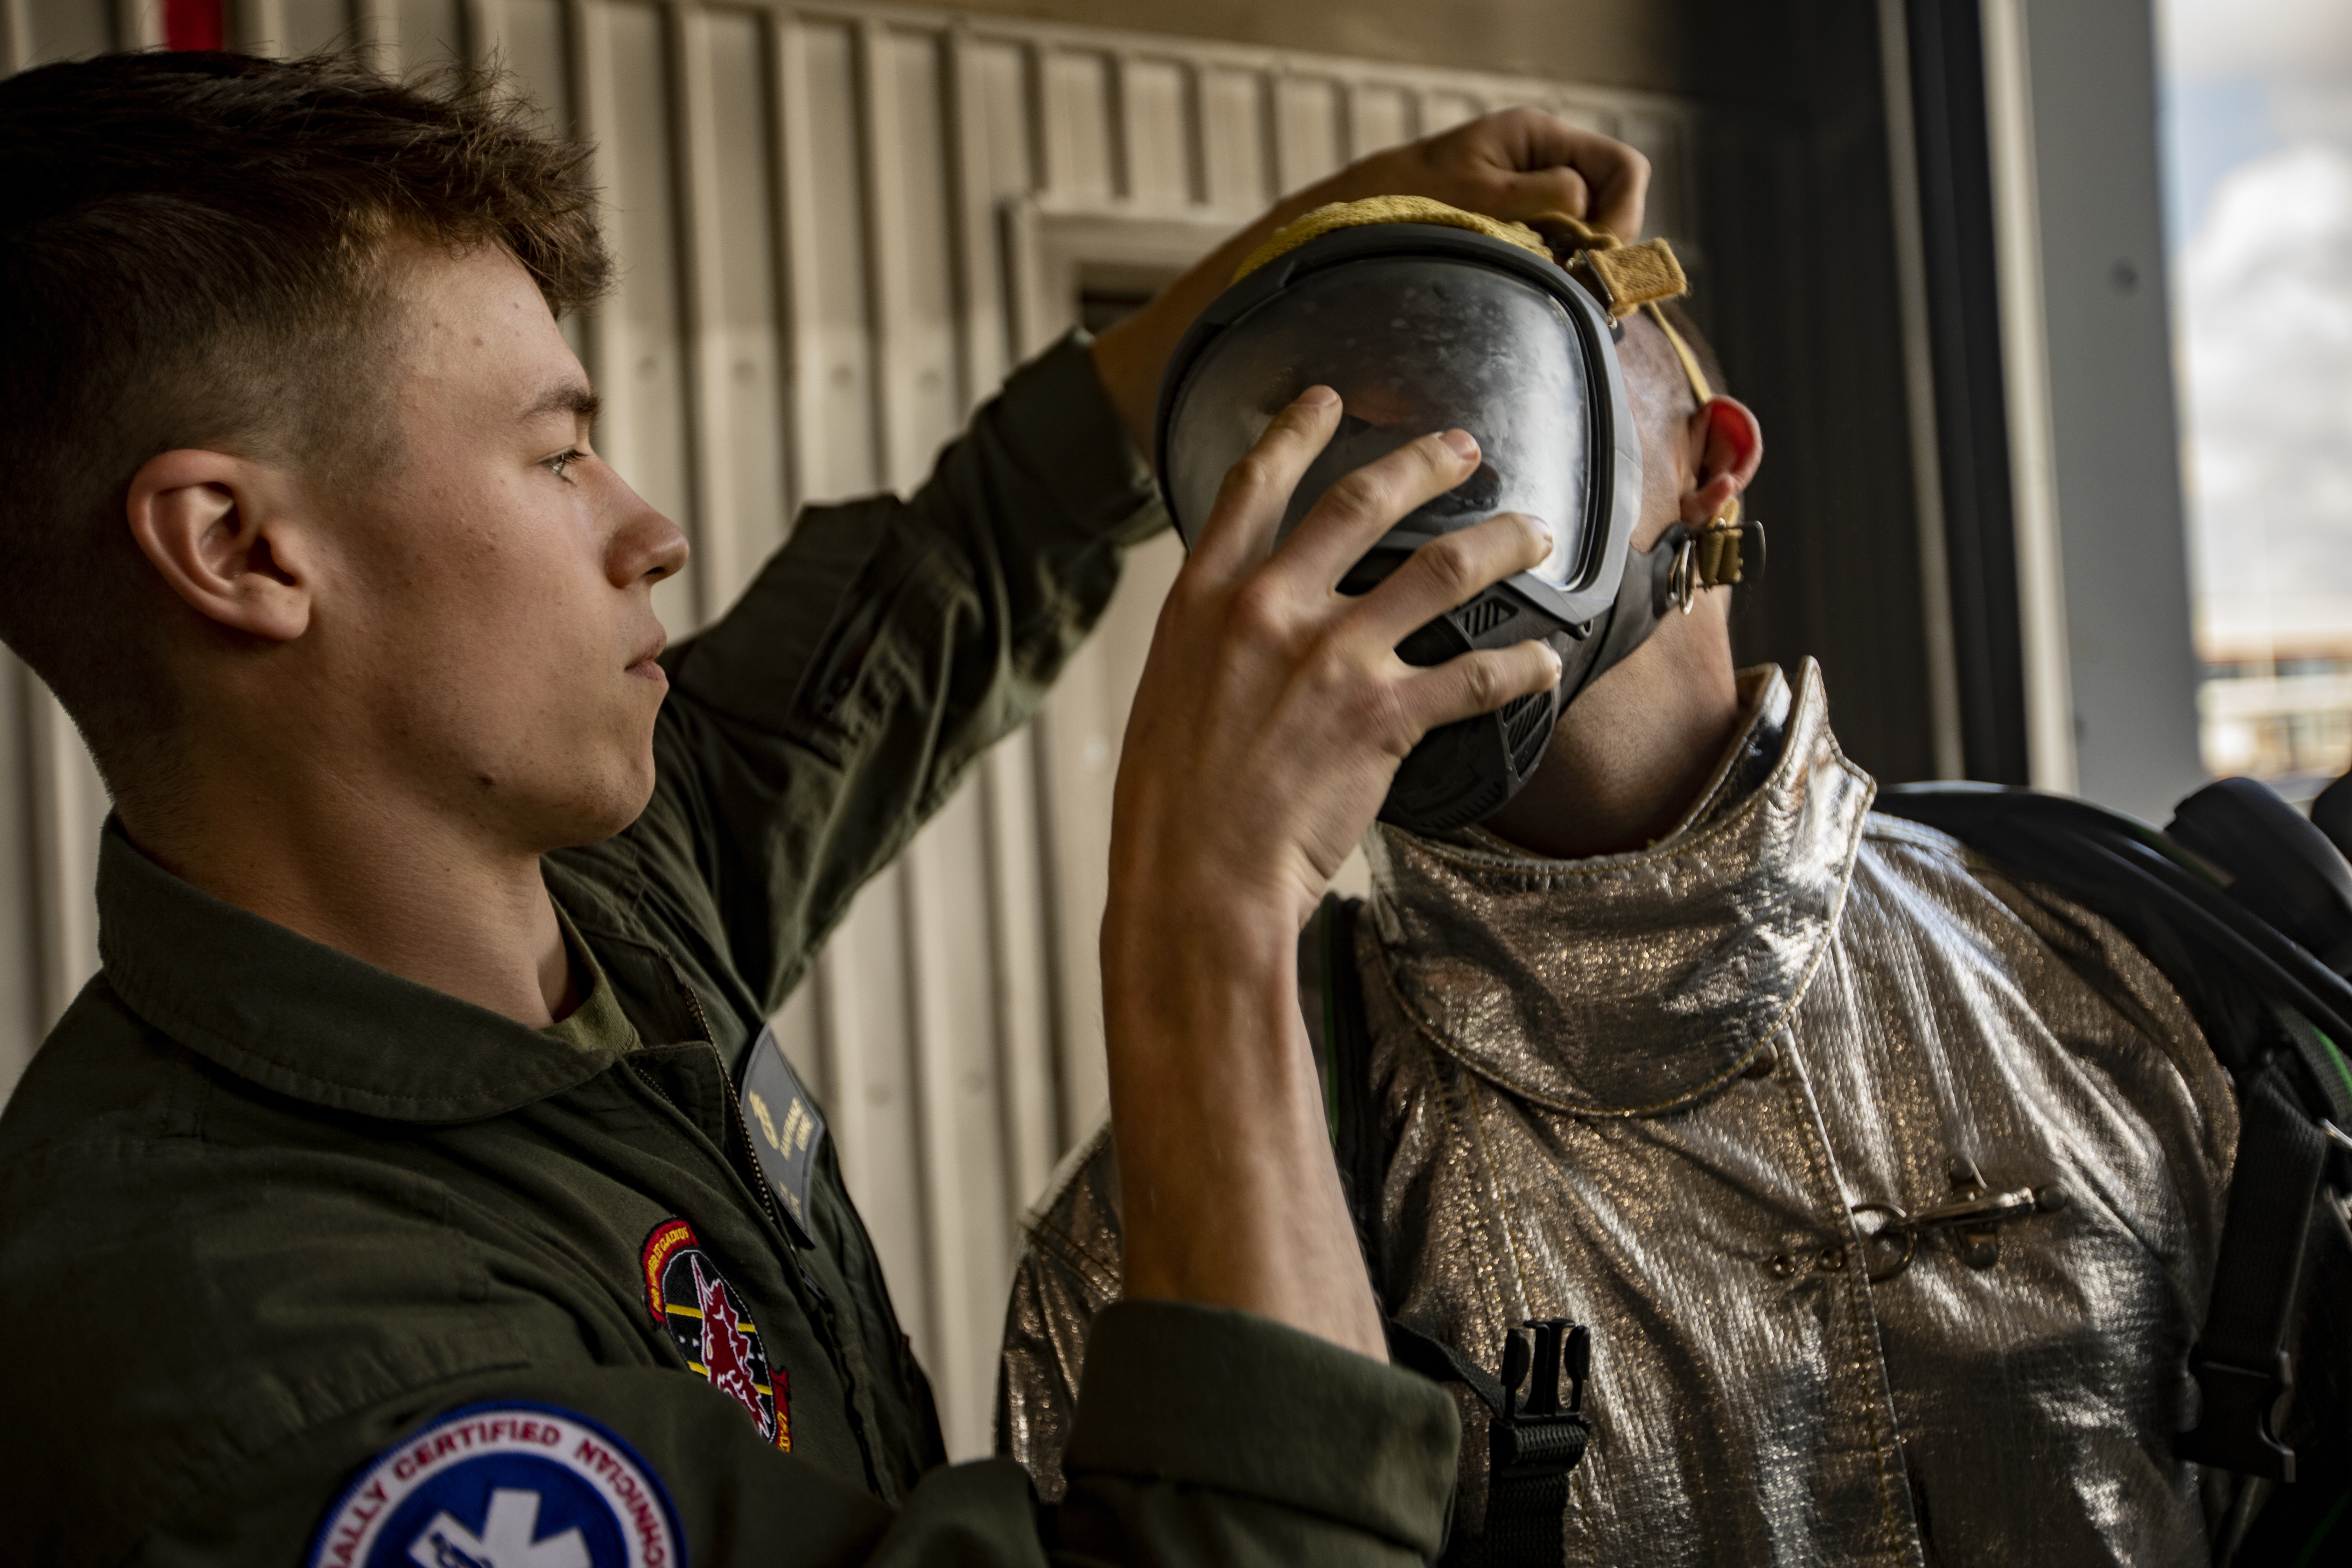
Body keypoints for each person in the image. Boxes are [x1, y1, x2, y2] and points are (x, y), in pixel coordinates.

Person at [0, 46, 1645, 1568]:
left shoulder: (600, 896)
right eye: (558, 454)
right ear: (240, 550)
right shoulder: (274, 1368)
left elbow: (962, 561)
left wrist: (1329, 243)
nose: (651, 530)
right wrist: (1206, 910)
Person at [997, 199, 2245, 1566]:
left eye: (1476, 431)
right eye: (1323, 473)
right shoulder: (1175, 1216)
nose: (1397, 522)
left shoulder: (2116, 982)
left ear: (1713, 470)